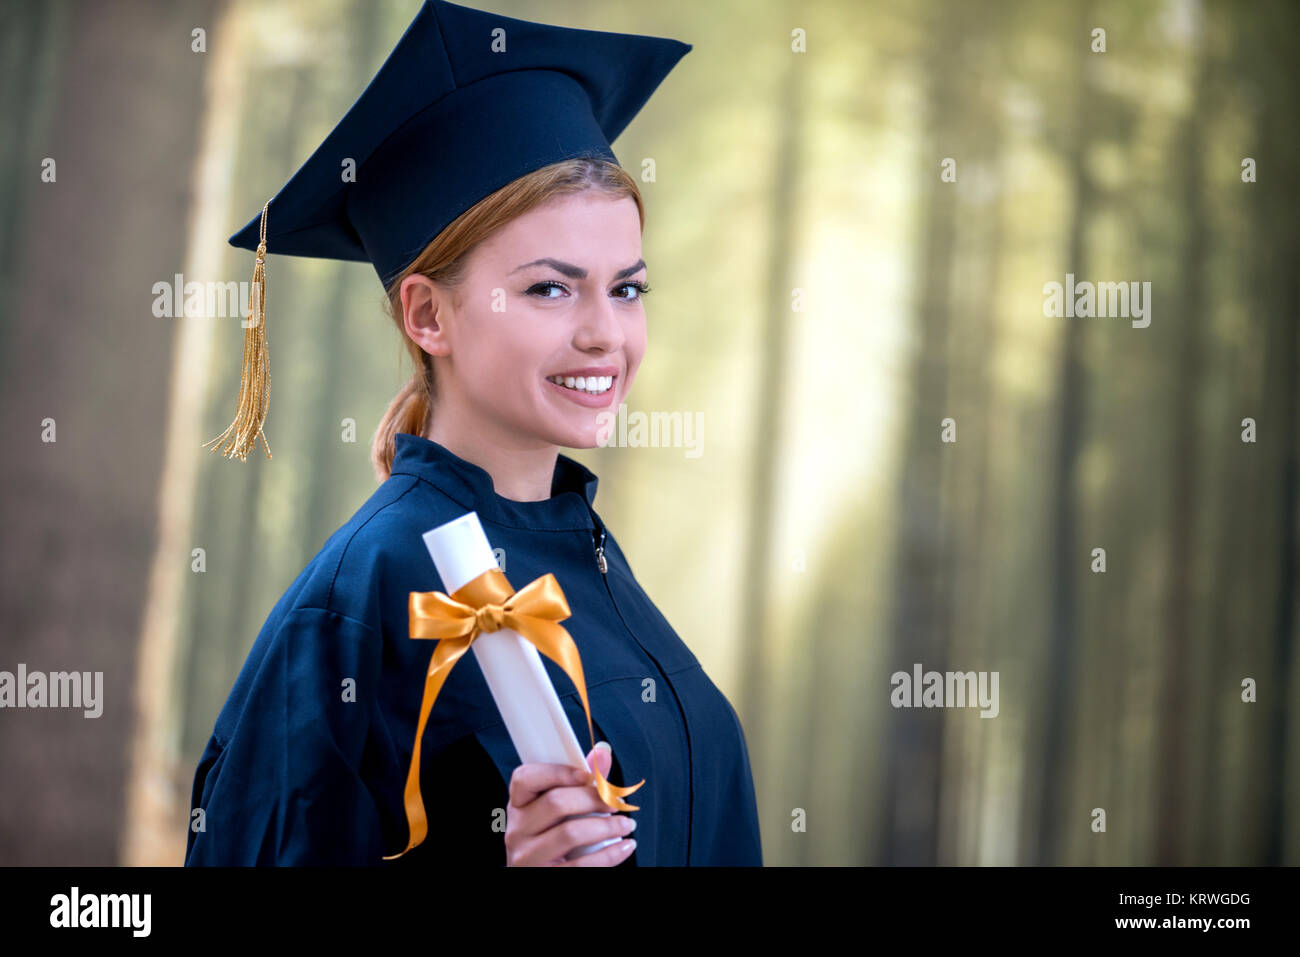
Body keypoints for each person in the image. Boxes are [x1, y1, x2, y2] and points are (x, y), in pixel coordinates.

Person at [185, 0, 762, 866]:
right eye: (549, 289)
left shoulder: (580, 549)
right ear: (428, 315)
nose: (606, 333)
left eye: (627, 288)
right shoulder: (366, 593)